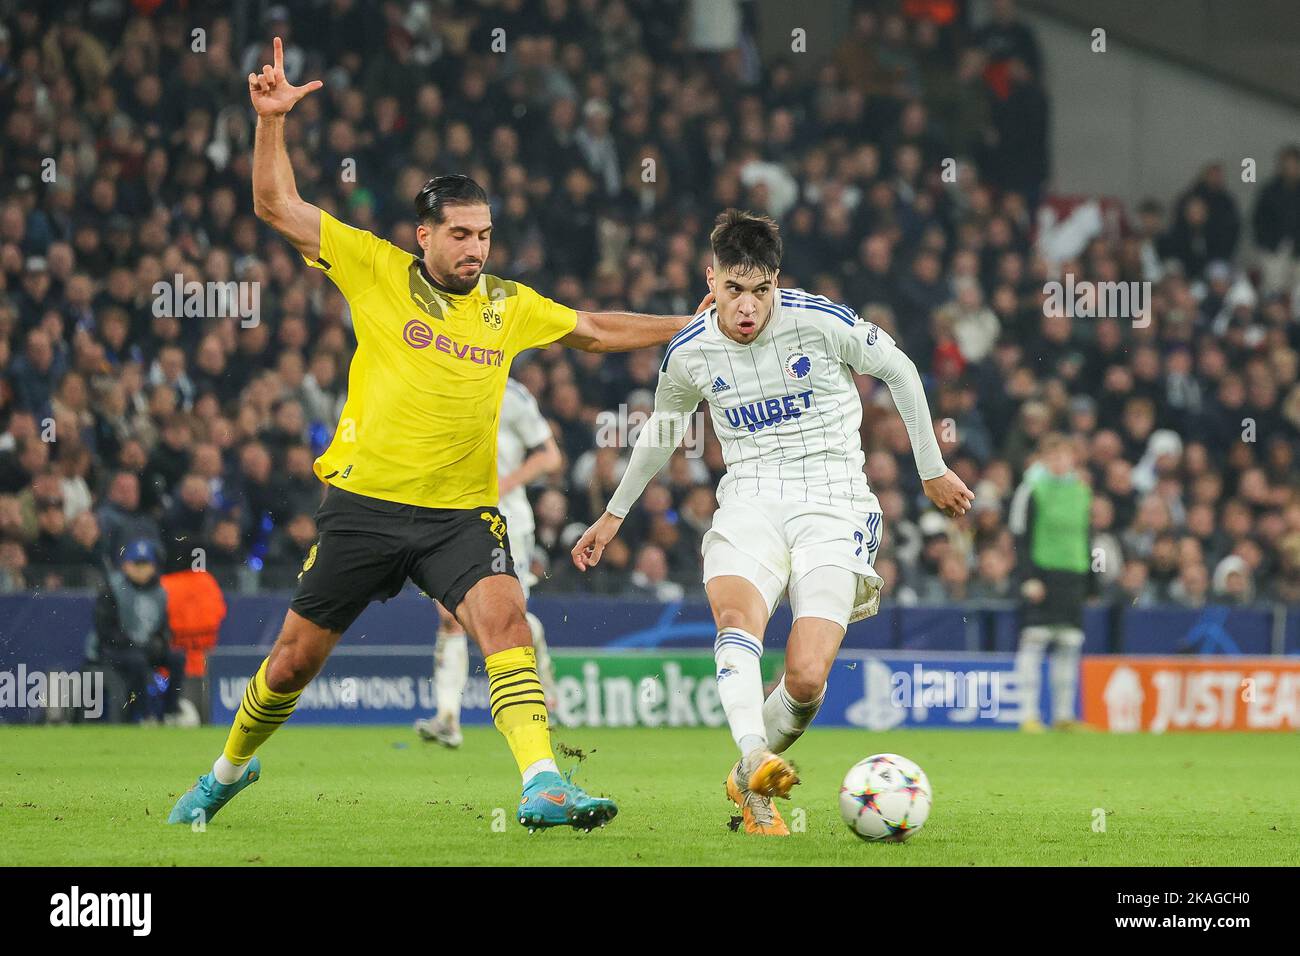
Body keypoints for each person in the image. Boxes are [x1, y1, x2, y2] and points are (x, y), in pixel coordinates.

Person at [168, 38, 704, 832]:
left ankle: (544, 781)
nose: (476, 249)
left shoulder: (506, 303)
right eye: (460, 235)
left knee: (505, 623)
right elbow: (277, 207)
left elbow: (591, 327)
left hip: (460, 513)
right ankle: (226, 773)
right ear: (424, 235)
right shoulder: (374, 268)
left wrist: (687, 326)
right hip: (364, 505)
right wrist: (272, 123)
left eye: (485, 235)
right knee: (292, 663)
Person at [571, 210, 973, 835]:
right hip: (750, 497)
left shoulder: (820, 321)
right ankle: (756, 758)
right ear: (712, 279)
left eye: (761, 291)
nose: (748, 306)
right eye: (734, 290)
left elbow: (900, 369)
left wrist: (931, 468)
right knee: (738, 620)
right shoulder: (690, 350)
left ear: (777, 283)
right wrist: (614, 513)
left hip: (834, 501)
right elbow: (664, 429)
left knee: (806, 678)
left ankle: (743, 775)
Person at [414, 377, 562, 747]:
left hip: (505, 519)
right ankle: (448, 717)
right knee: (450, 615)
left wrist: (507, 483)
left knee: (509, 616)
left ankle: (545, 687)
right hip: (454, 518)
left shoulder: (510, 393)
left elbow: (549, 454)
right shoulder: (438, 383)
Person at [1007, 433, 1092, 732]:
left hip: (1072, 576)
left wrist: (1090, 582)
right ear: (1044, 459)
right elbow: (1020, 534)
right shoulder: (1032, 490)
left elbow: (1086, 536)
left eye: (1065, 456)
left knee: (1069, 643)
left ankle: (1063, 715)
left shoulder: (1081, 491)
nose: (1060, 462)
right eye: (1054, 457)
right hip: (1041, 574)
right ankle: (1027, 715)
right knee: (1035, 640)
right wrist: (1028, 576)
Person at [90, 538, 186, 723]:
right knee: (138, 661)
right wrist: (133, 644)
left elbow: (164, 628)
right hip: (116, 650)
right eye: (136, 564)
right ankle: (145, 714)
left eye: (145, 564)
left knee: (177, 658)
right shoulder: (113, 589)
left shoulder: (159, 592)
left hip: (144, 649)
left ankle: (170, 711)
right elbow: (105, 630)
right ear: (126, 566)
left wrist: (159, 642)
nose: (141, 570)